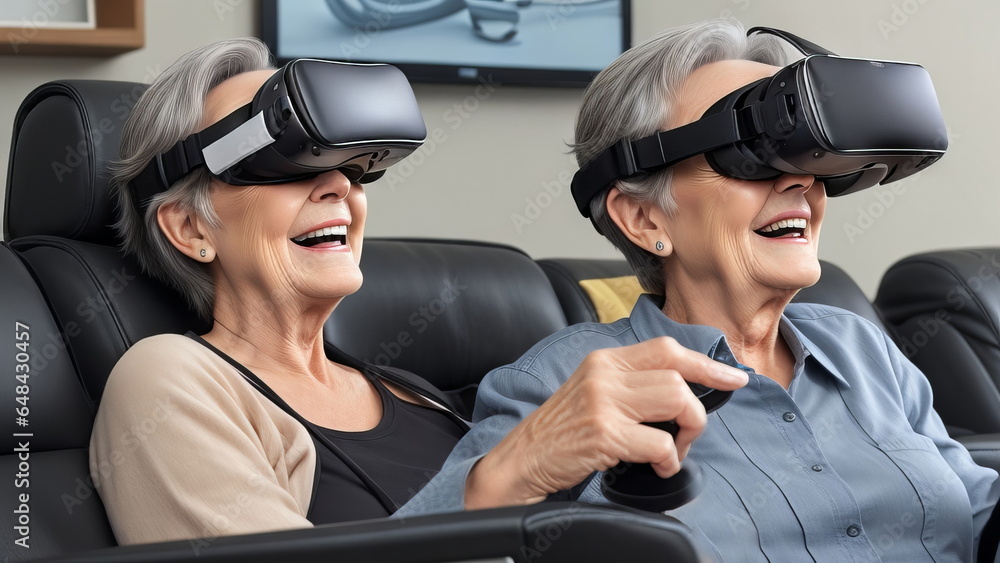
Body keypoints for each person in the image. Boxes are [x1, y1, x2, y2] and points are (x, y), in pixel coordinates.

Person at [89, 37, 744, 545]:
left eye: (354, 168)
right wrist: (508, 474)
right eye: (288, 164)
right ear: (187, 226)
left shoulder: (416, 392)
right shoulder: (170, 380)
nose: (340, 189)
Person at [396, 18, 1000, 561]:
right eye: (753, 153)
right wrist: (512, 475)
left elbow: (976, 518)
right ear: (645, 218)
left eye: (808, 156)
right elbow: (429, 547)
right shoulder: (561, 381)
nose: (801, 183)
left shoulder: (862, 350)